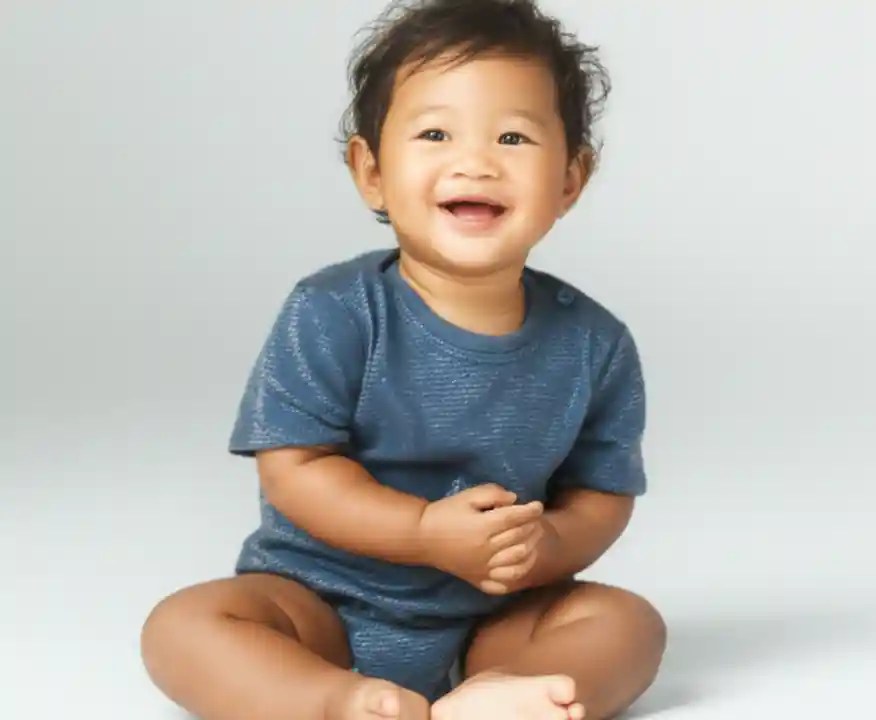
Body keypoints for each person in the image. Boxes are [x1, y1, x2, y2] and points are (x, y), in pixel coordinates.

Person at [139, 1, 666, 718]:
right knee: (184, 627)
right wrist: (423, 534)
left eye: (513, 137)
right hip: (320, 601)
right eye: (435, 133)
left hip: (494, 613)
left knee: (628, 626)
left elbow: (602, 494)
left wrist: (544, 546)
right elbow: (294, 468)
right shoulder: (332, 311)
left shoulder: (595, 345)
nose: (475, 160)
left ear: (570, 178)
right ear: (372, 171)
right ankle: (337, 702)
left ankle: (495, 696)